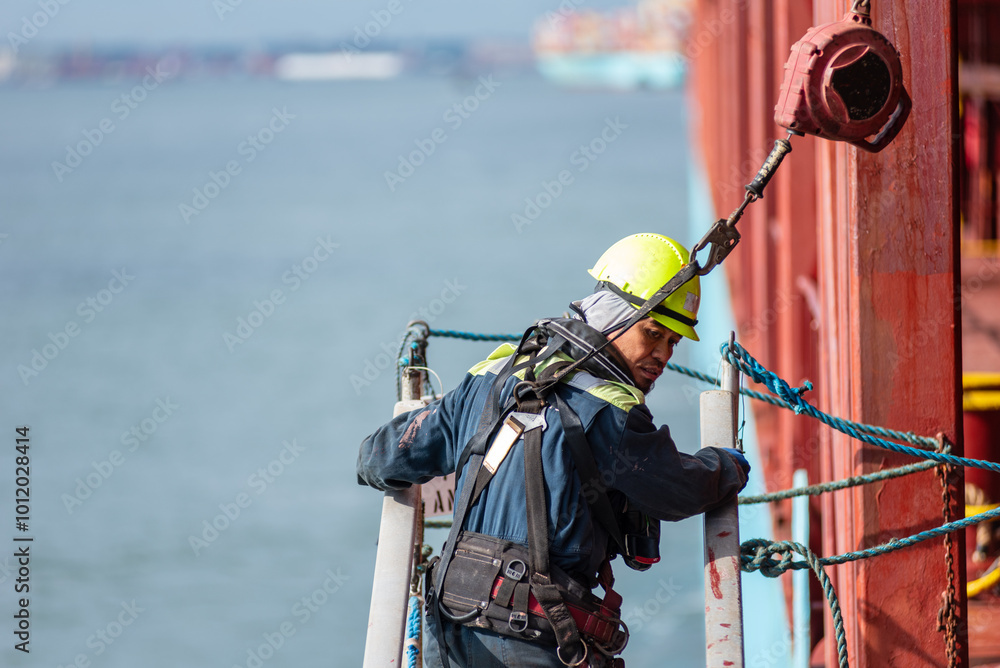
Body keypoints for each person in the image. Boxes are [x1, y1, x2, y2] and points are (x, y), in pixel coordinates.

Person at [357, 233, 750, 667]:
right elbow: (681, 489)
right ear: (616, 318)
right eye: (653, 334)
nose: (660, 354)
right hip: (533, 641)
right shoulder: (611, 413)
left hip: (448, 632)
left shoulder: (490, 379)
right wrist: (729, 463)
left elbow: (379, 458)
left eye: (672, 343)